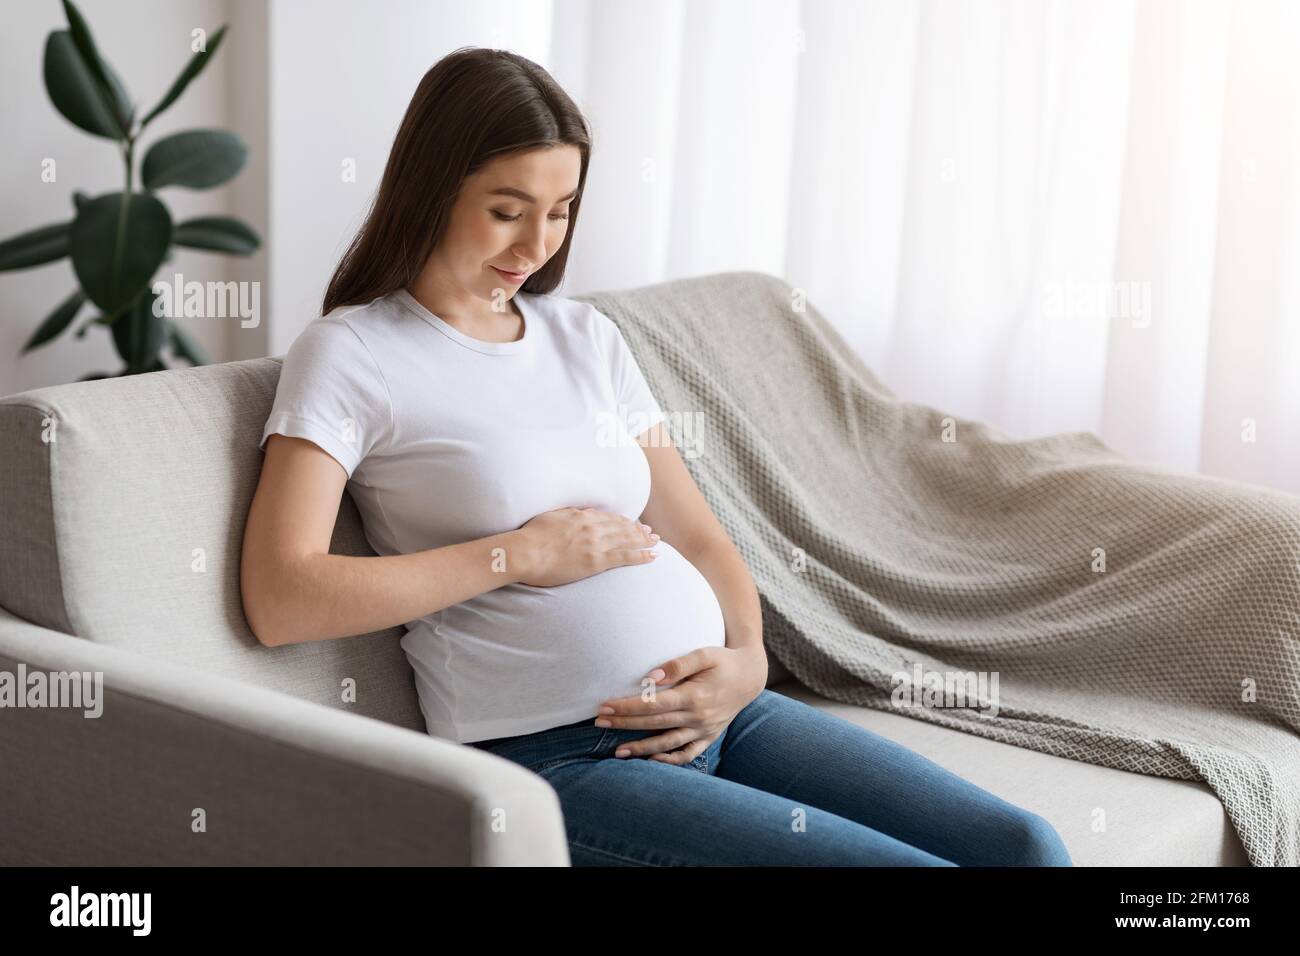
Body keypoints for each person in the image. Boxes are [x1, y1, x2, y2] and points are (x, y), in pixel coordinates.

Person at [240, 46, 1072, 867]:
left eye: (561, 209)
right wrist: (517, 555)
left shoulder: (585, 337)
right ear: (431, 189)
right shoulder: (354, 353)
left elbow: (698, 534)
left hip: (723, 712)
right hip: (562, 759)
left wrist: (745, 663)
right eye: (507, 209)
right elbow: (283, 595)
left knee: (1025, 847)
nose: (536, 243)